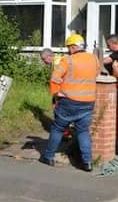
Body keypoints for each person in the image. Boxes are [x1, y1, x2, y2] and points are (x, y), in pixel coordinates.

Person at [39, 33, 101, 172]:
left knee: (57, 128)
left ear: (73, 47)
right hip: (88, 102)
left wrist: (56, 94)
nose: (68, 50)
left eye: (68, 47)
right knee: (83, 132)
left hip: (69, 102)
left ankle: (48, 157)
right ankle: (88, 163)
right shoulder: (94, 59)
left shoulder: (68, 60)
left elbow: (55, 79)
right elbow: (95, 75)